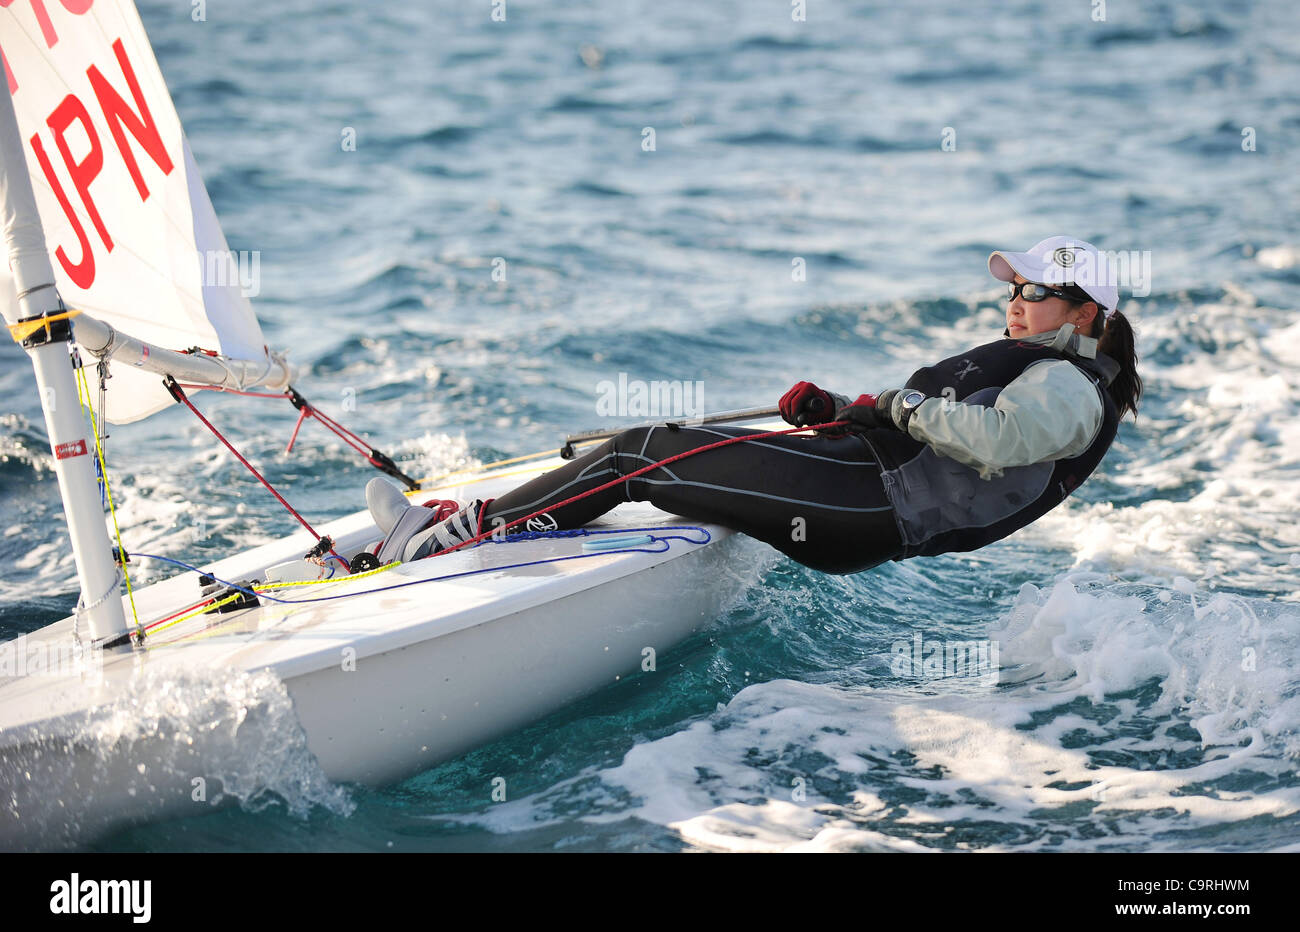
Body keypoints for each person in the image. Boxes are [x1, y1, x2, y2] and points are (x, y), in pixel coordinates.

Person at [363, 235, 1141, 575]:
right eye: (1013, 288)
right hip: (856, 473)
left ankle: (448, 543)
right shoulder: (1044, 362)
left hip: (871, 506)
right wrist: (841, 406)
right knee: (656, 441)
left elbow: (996, 441)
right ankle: (476, 521)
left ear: (1082, 314)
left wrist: (896, 406)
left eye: (1036, 291)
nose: (1016, 301)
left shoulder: (1074, 389)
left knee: (644, 454)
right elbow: (924, 426)